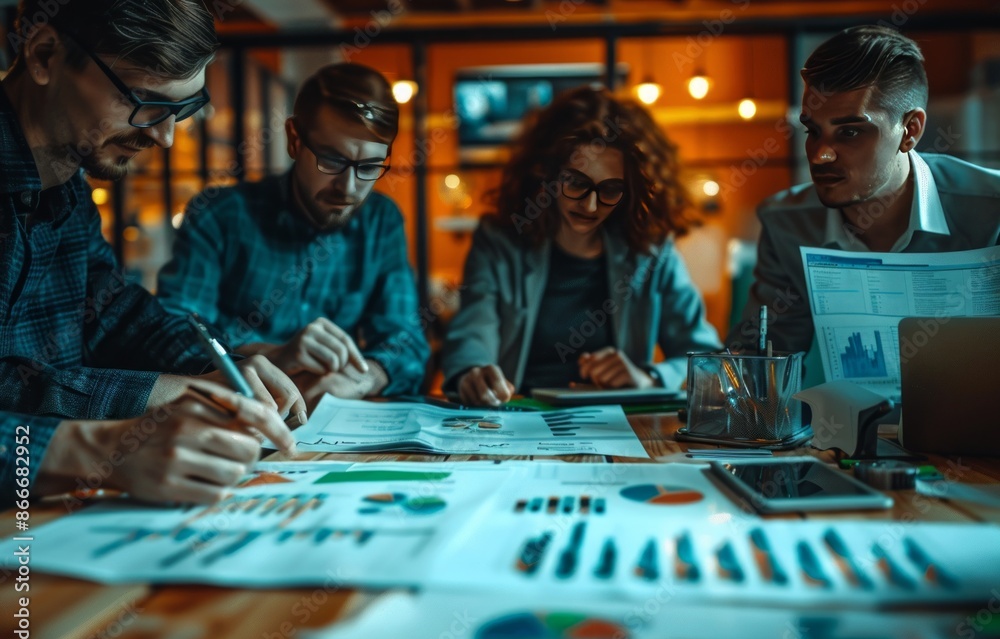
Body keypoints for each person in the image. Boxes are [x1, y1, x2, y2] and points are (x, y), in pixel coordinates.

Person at [0, 0, 304, 507]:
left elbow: (115, 314)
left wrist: (217, 369)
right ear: (45, 54)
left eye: (183, 108)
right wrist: (100, 446)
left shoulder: (68, 189)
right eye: (144, 101)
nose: (164, 137)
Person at [158, 63, 429, 408]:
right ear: (294, 139)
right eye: (331, 160)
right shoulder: (220, 215)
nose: (348, 187)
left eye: (369, 167)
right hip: (232, 413)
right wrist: (272, 354)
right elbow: (172, 329)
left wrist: (362, 378)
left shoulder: (381, 220)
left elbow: (406, 342)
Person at [727, 25, 1000, 360]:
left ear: (910, 131)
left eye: (850, 132)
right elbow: (761, 364)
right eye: (813, 131)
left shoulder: (992, 212)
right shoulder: (786, 225)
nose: (819, 155)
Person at [441, 86, 722, 407]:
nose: (590, 205)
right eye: (576, 182)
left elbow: (708, 360)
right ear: (546, 174)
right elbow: (473, 333)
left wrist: (650, 378)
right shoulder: (500, 240)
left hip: (617, 428)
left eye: (611, 189)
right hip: (517, 418)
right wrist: (472, 374)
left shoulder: (651, 250)